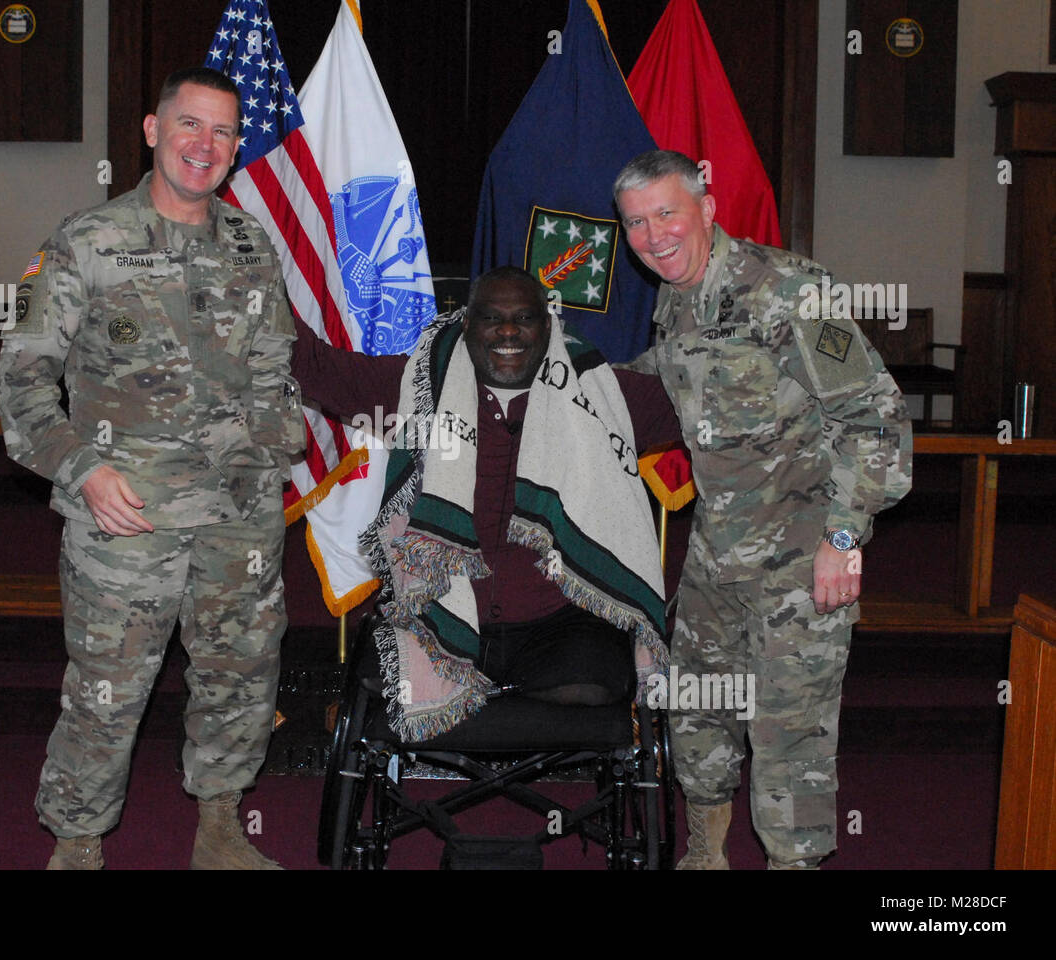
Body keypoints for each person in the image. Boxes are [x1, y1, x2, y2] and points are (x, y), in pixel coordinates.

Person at [0, 67, 304, 870]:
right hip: (126, 518)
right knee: (107, 690)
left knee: (240, 677)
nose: (205, 146)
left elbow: (275, 364)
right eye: (189, 126)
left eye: (223, 132)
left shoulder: (250, 244)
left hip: (238, 514)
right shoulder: (84, 242)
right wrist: (82, 474)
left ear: (238, 147)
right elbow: (23, 381)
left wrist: (273, 448)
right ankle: (77, 843)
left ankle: (221, 830)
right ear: (151, 130)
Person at [614, 149, 912, 869]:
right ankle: (705, 856)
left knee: (789, 742)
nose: (653, 236)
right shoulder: (677, 296)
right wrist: (567, 387)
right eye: (635, 223)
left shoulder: (789, 291)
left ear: (708, 209)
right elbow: (666, 383)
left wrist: (843, 537)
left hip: (799, 566)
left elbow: (878, 422)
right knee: (698, 715)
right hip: (718, 557)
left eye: (666, 214)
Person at [292, 266, 681, 741]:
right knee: (380, 679)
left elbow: (696, 400)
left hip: (559, 625)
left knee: (595, 685)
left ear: (548, 325)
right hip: (439, 611)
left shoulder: (600, 394)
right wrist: (260, 282)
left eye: (524, 317)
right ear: (465, 324)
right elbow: (318, 368)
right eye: (491, 318)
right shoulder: (418, 385)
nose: (509, 331)